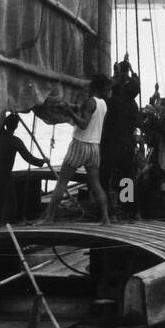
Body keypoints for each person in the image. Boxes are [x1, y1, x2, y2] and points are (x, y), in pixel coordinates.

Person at [43, 74, 112, 225]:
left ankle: (49, 218)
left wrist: (69, 112)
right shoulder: (103, 104)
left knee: (62, 182)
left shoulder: (90, 102)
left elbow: (83, 124)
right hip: (94, 147)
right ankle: (105, 218)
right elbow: (91, 118)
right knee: (96, 184)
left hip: (80, 144)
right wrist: (74, 109)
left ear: (93, 86)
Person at [0, 113, 47, 225]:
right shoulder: (15, 141)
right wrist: (43, 161)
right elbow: (29, 158)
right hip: (4, 173)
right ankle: (6, 223)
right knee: (10, 200)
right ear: (16, 127)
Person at [101, 57, 141, 213]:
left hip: (111, 146)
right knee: (127, 177)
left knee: (105, 177)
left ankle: (106, 209)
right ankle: (129, 209)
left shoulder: (111, 102)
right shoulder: (133, 105)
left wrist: (117, 74)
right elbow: (138, 123)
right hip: (127, 147)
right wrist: (129, 72)